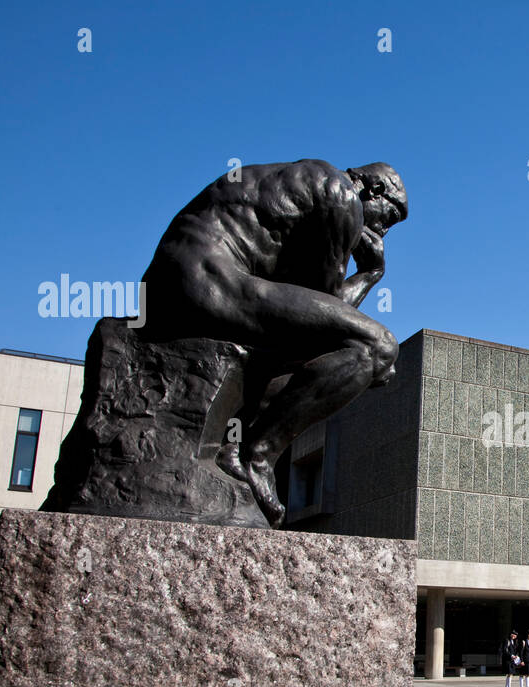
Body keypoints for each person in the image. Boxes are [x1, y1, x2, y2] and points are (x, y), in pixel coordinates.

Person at [139, 159, 407, 526]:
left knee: (346, 352)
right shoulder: (342, 194)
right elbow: (326, 309)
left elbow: (304, 305)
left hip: (177, 280)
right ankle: (258, 455)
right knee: (378, 347)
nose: (381, 231)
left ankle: (235, 441)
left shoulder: (304, 184)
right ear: (374, 190)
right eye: (388, 218)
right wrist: (371, 273)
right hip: (205, 279)